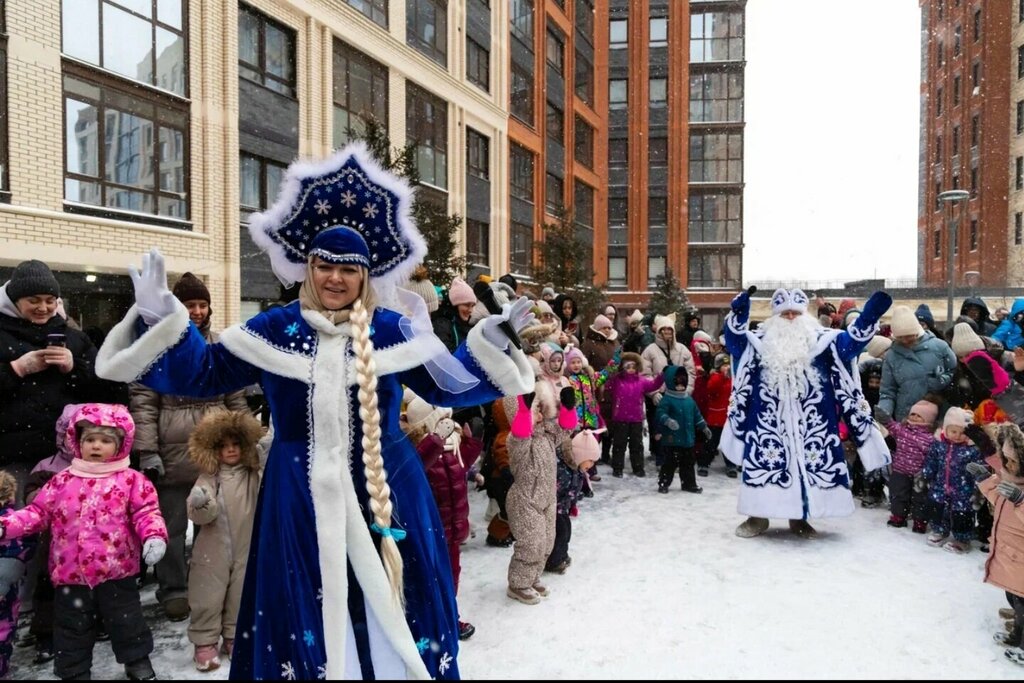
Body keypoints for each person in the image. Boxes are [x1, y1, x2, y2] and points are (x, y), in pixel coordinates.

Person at [94, 143, 536, 680]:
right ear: (309, 267)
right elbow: (202, 373)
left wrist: (491, 339)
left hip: (389, 490)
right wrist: (160, 318)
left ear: (366, 275)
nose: (335, 278)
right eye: (325, 266)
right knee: (305, 602)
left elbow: (453, 386)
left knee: (396, 603)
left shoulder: (392, 330)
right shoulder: (274, 329)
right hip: (297, 492)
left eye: (349, 269)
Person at [0, 403, 167, 681]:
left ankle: (137, 660)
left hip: (117, 571)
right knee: (70, 628)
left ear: (120, 445)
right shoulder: (61, 481)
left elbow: (146, 512)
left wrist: (154, 536)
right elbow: (37, 513)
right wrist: (6, 526)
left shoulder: (131, 481)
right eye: (89, 439)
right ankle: (73, 671)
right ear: (77, 442)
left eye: (105, 440)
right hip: (69, 574)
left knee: (126, 622)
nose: (96, 446)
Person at [722, 287, 892, 538]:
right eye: (785, 314)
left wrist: (868, 317)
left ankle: (800, 518)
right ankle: (757, 517)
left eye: (795, 313)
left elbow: (850, 345)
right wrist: (738, 314)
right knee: (765, 465)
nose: (790, 318)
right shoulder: (759, 342)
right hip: (768, 421)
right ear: (774, 317)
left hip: (813, 423)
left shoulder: (823, 341)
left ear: (805, 315)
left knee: (808, 468)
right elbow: (735, 343)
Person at [129, 272, 250, 623]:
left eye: (201, 304)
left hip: (215, 451)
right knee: (171, 524)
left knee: (210, 526)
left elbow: (236, 397)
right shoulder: (155, 347)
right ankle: (174, 589)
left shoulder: (219, 346)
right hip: (172, 452)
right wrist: (147, 451)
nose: (196, 311)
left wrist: (247, 439)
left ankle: (205, 585)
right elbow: (144, 403)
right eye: (189, 305)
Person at [0, 259, 125, 497]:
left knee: (66, 526)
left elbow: (108, 392)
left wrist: (74, 368)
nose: (43, 308)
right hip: (11, 457)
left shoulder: (76, 339)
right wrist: (16, 369)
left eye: (50, 301)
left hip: (68, 457)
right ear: (15, 302)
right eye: (33, 301)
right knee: (16, 526)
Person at [185, 409, 264, 672]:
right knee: (207, 594)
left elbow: (266, 489)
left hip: (246, 546)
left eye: (236, 445)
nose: (230, 450)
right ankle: (205, 641)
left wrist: (263, 457)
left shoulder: (252, 474)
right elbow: (202, 515)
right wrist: (201, 504)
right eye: (223, 446)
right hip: (213, 549)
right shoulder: (210, 477)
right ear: (212, 450)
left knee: (241, 594)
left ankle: (234, 635)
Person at [401, 394, 483, 642]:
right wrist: (434, 441)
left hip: (454, 528)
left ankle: (449, 615)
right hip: (431, 532)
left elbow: (463, 466)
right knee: (430, 578)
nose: (450, 425)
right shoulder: (414, 448)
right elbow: (415, 469)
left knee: (451, 576)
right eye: (443, 421)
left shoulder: (452, 447)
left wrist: (474, 440)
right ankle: (431, 622)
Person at [505, 388, 577, 604]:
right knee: (531, 543)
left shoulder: (547, 433)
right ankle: (518, 584)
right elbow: (521, 431)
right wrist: (524, 411)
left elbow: (566, 428)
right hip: (525, 500)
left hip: (546, 497)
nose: (538, 413)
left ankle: (532, 577)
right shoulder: (517, 440)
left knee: (546, 541)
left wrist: (568, 408)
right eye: (533, 409)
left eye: (538, 408)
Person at [972, 423, 1024, 666]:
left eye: (1013, 462)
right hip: (1010, 555)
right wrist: (984, 480)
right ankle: (1017, 635)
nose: (1008, 466)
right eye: (1007, 460)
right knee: (1014, 599)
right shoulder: (1009, 479)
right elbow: (998, 499)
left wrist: (1020, 500)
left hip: (1021, 559)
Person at [918, 407, 985, 553]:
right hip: (940, 486)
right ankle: (940, 530)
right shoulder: (939, 444)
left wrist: (978, 489)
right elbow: (931, 461)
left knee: (961, 514)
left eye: (963, 433)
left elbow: (980, 469)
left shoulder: (973, 449)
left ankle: (962, 539)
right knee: (939, 510)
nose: (957, 436)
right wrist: (925, 475)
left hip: (963, 489)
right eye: (953, 431)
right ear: (945, 429)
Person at [878, 306, 957, 421]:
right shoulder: (891, 356)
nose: (905, 341)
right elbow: (888, 391)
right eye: (900, 337)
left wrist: (940, 381)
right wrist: (884, 413)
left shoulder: (940, 347)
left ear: (916, 331)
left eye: (909, 336)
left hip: (937, 413)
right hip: (906, 416)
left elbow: (954, 371)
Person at [873, 401, 938, 533]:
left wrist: (929, 471)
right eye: (912, 414)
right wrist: (884, 417)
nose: (913, 417)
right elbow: (891, 425)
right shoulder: (902, 429)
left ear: (928, 419)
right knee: (898, 494)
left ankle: (920, 521)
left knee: (920, 498)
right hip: (900, 470)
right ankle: (898, 516)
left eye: (918, 415)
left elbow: (934, 456)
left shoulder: (930, 438)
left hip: (920, 474)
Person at [656, 366, 711, 494]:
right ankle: (664, 482)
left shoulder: (689, 400)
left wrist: (704, 427)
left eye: (683, 384)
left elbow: (697, 415)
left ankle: (689, 483)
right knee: (669, 463)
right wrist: (668, 421)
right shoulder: (667, 399)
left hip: (688, 439)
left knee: (688, 464)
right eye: (677, 384)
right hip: (672, 439)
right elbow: (660, 413)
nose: (680, 387)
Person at [0, 470, 33, 678]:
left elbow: (15, 557)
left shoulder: (11, 523)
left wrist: (2, 585)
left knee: (2, 631)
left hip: (3, 590)